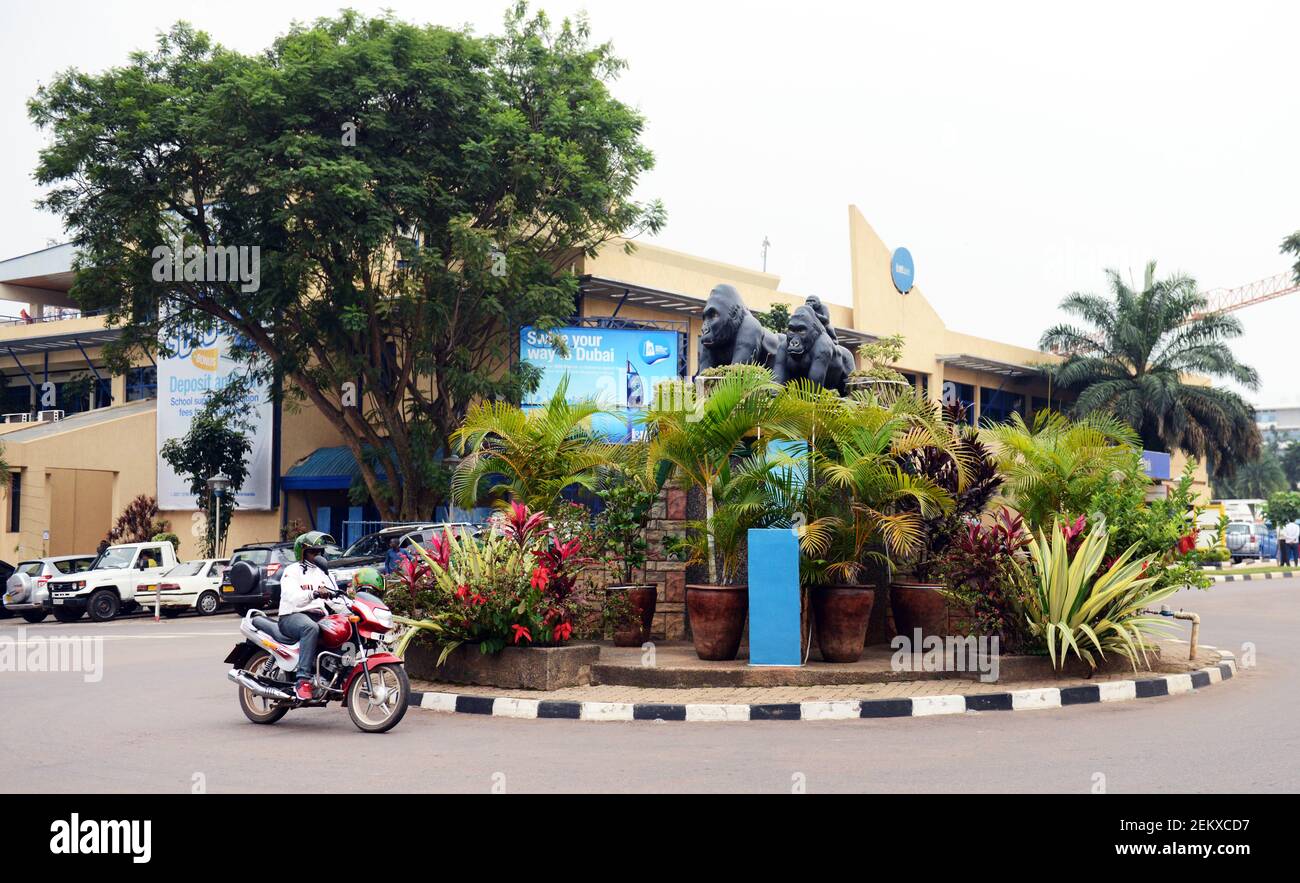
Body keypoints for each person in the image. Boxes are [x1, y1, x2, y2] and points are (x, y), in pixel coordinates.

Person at [278, 531, 339, 701]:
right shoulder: (291, 571)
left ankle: (334, 674)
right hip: (292, 616)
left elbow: (335, 599)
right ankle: (302, 680)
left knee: (343, 627)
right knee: (309, 628)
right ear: (302, 552)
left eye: (319, 552)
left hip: (318, 615)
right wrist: (314, 594)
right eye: (312, 552)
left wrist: (351, 607)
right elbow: (293, 598)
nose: (316, 556)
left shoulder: (323, 573)